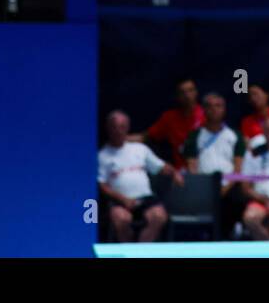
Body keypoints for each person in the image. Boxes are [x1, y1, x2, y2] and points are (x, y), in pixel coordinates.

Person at [98, 110, 181, 243]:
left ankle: (140, 251)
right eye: (115, 127)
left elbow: (161, 167)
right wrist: (123, 199)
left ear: (128, 128)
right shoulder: (102, 155)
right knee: (120, 218)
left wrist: (175, 172)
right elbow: (102, 185)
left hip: (145, 199)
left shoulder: (140, 148)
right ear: (108, 128)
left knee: (159, 216)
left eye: (122, 127)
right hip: (120, 201)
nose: (118, 131)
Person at [138, 78, 204, 170]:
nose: (187, 95)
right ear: (177, 96)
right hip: (182, 175)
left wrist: (229, 179)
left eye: (190, 90)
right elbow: (145, 136)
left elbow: (230, 175)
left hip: (208, 173)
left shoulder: (207, 116)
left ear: (196, 92)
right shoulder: (169, 118)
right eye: (182, 92)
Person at [183, 92, 242, 178]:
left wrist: (225, 188)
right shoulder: (194, 136)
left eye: (218, 105)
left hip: (230, 186)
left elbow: (238, 168)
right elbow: (192, 167)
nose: (214, 109)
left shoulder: (236, 135)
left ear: (224, 109)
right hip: (202, 184)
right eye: (209, 106)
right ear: (203, 110)